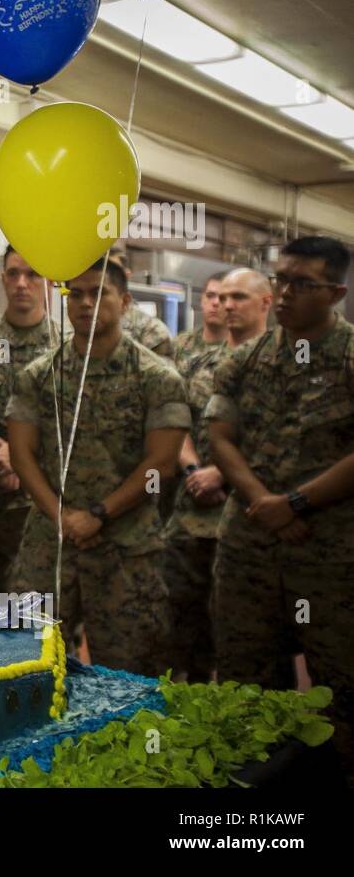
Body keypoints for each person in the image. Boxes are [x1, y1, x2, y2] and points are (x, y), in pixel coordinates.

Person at [207, 235, 354, 784]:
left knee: (340, 685)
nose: (286, 292)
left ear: (335, 293)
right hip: (250, 548)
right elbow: (219, 436)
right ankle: (256, 796)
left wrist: (295, 502)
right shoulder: (245, 359)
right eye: (281, 279)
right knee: (246, 680)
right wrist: (263, 502)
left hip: (330, 554)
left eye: (302, 284)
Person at [7, 256, 188, 675]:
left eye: (98, 293)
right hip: (49, 542)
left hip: (126, 545)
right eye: (76, 294)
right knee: (29, 659)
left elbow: (161, 464)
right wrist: (63, 518)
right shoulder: (39, 375)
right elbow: (22, 455)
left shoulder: (157, 377)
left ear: (124, 301)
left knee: (130, 668)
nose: (85, 303)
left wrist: (98, 516)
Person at [162, 268, 270, 682]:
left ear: (266, 302)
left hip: (247, 510)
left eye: (238, 297)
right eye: (221, 298)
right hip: (191, 509)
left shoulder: (277, 360)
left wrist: (221, 476)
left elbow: (276, 438)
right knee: (178, 612)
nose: (226, 306)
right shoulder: (199, 360)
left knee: (238, 625)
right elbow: (177, 421)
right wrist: (192, 469)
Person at [0, 246, 58, 596]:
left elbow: (74, 424)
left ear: (48, 282)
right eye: (13, 274)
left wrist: (21, 458)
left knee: (35, 609)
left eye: (32, 274)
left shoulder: (64, 344)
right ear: (2, 280)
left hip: (41, 500)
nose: (22, 283)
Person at [112, 251, 175, 358]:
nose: (102, 278)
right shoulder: (78, 322)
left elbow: (162, 372)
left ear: (126, 276)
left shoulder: (152, 331)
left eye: (112, 272)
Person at [171, 272, 227, 374]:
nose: (215, 302)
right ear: (201, 300)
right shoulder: (181, 343)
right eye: (210, 296)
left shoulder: (239, 351)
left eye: (223, 298)